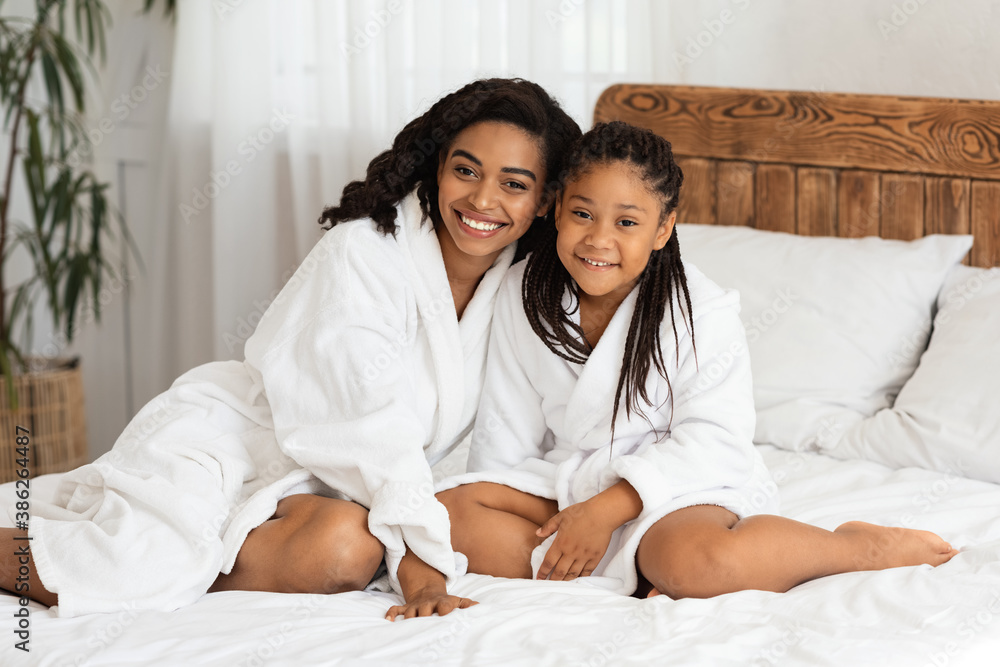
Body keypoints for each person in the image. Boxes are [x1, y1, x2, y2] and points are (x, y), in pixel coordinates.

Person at [0, 78, 582, 620]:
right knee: (139, 563)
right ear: (436, 168)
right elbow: (363, 419)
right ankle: (159, 566)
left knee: (344, 553)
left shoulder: (521, 285)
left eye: (514, 184)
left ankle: (195, 574)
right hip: (237, 441)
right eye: (465, 170)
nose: (483, 200)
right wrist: (422, 568)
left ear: (544, 199)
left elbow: (549, 418)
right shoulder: (365, 253)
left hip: (328, 485)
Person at [437, 121, 958, 599]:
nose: (599, 239)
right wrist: (512, 505)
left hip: (677, 490)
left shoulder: (700, 310)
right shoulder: (523, 292)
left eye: (626, 222)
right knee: (446, 514)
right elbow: (506, 430)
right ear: (556, 209)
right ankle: (636, 572)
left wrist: (606, 511)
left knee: (697, 563)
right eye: (582, 214)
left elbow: (716, 441)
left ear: (662, 230)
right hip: (571, 485)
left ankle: (850, 548)